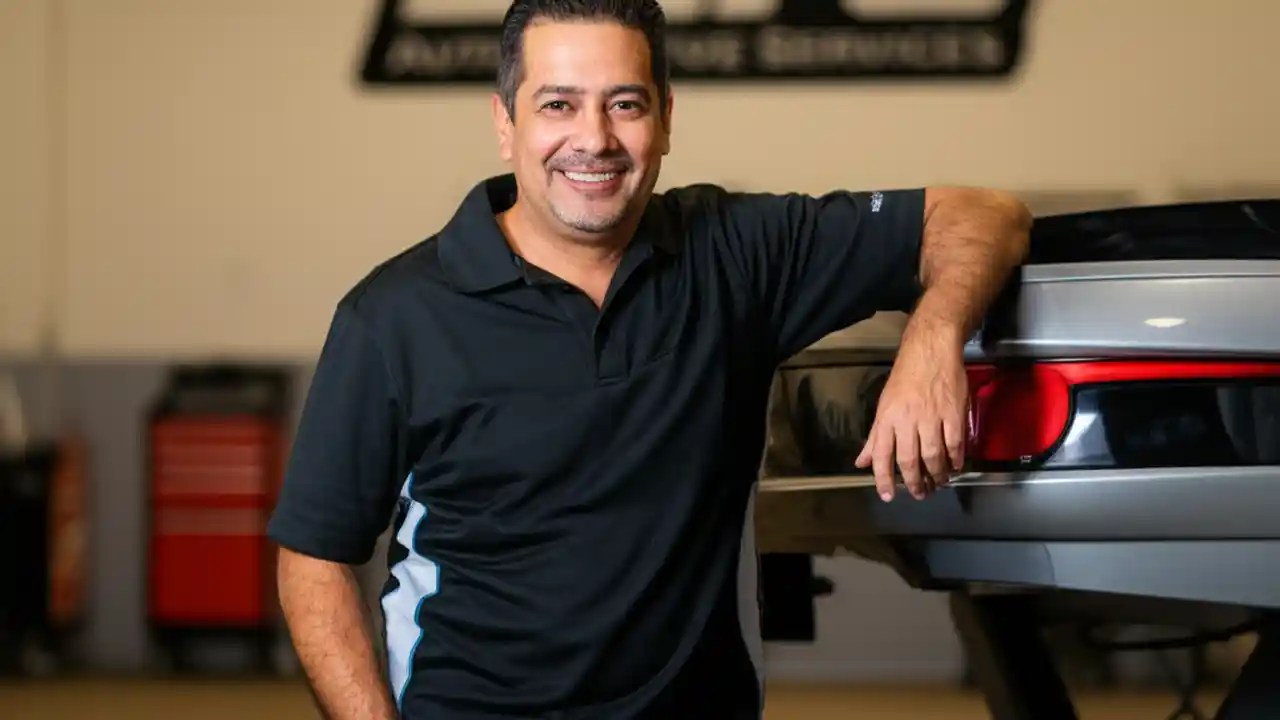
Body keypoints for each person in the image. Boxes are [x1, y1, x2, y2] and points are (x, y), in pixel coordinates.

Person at [268, 1, 1031, 718]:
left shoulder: (736, 255)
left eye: (625, 103)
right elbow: (314, 558)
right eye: (558, 104)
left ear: (666, 119)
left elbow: (983, 214)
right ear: (505, 123)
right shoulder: (395, 317)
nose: (594, 139)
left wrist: (934, 338)